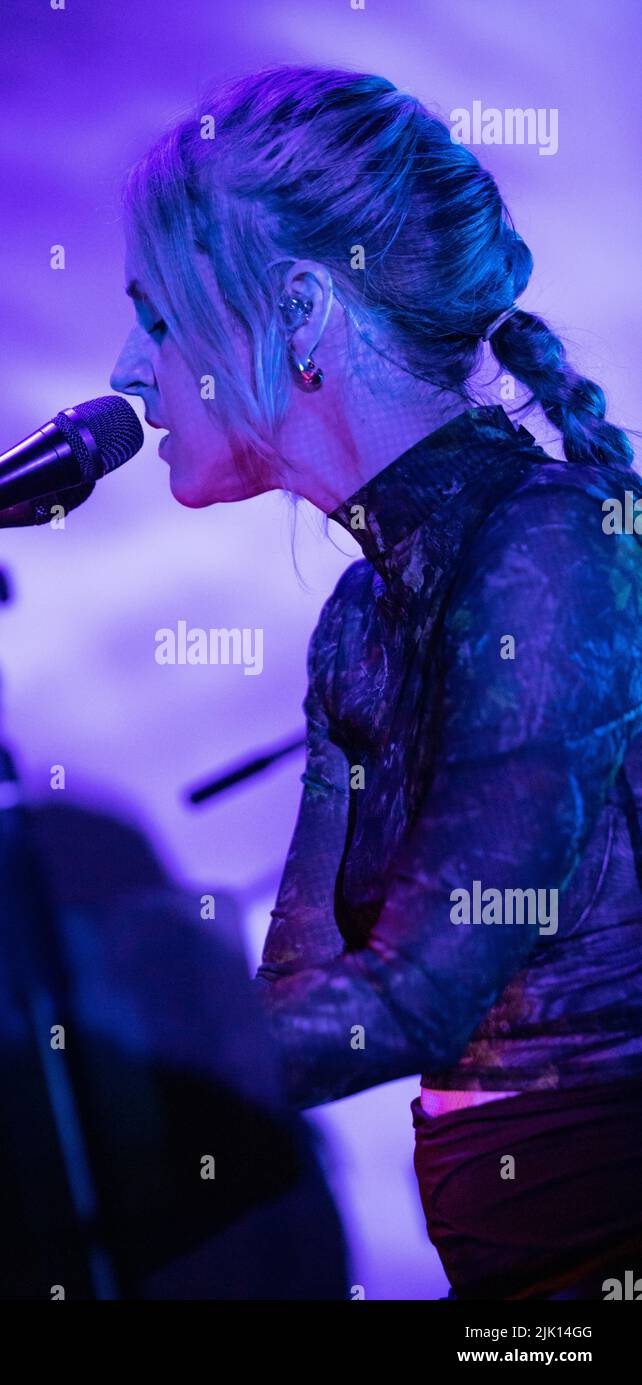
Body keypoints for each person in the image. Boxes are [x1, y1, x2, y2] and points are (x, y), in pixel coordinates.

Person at [109, 64, 642, 1300]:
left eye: (156, 313)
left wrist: (59, 1072)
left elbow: (419, 987)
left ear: (297, 308)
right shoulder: (355, 622)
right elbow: (298, 993)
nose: (130, 371)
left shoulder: (555, 543)